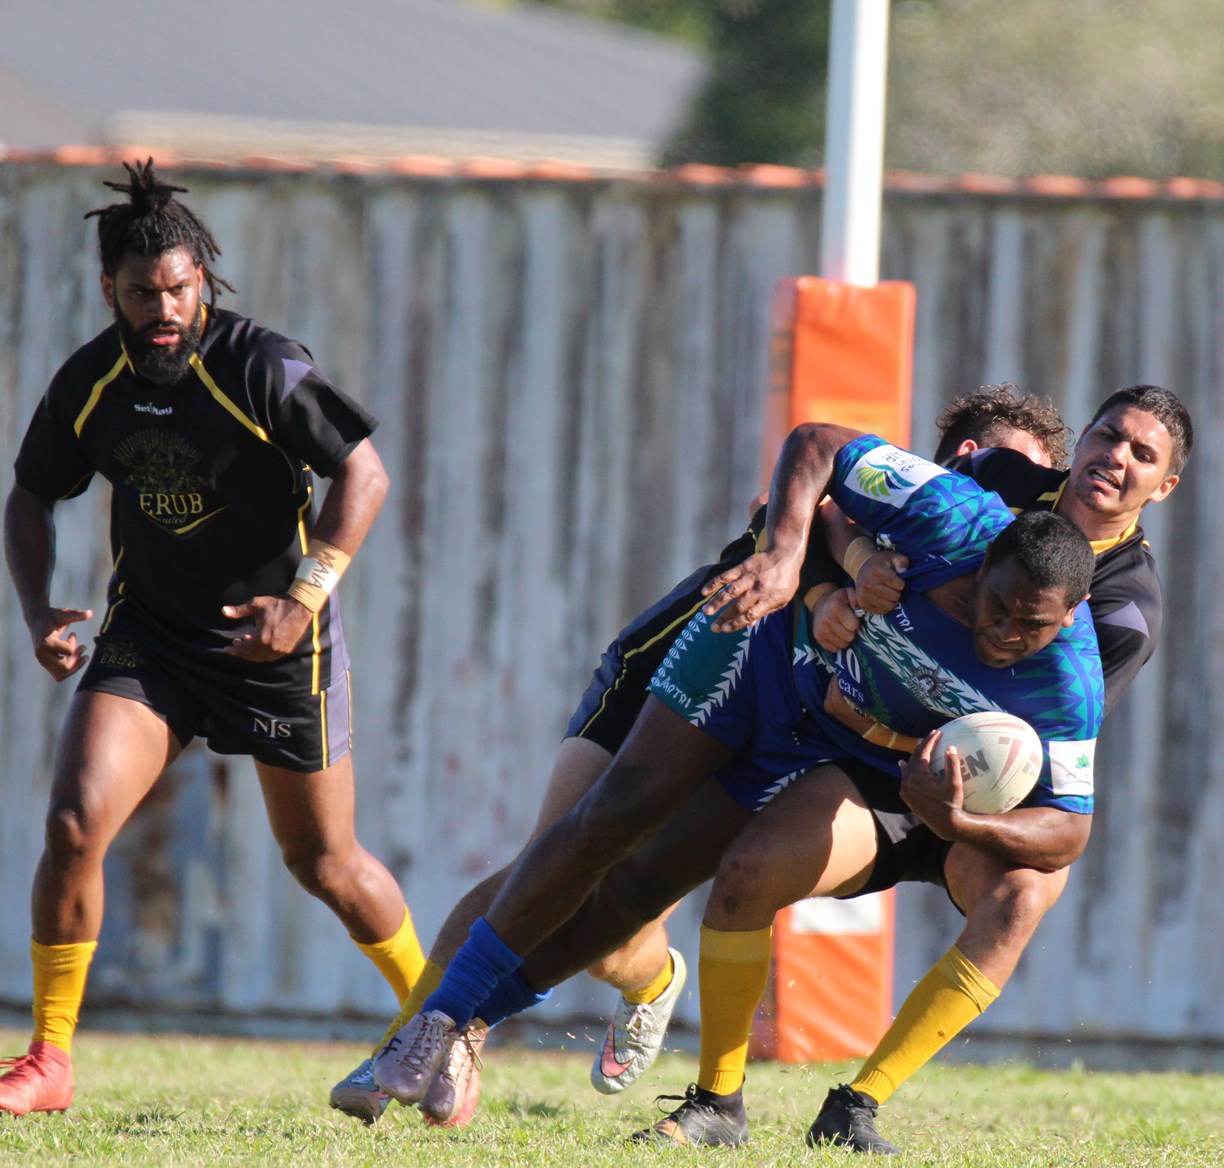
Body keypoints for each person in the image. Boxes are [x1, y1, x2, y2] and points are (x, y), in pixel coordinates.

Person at [328, 385, 1072, 1127]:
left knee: (633, 893)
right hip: (734, 656)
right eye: (1020, 476)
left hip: (824, 739)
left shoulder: (1070, 613)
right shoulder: (940, 505)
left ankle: (517, 1015)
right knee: (583, 835)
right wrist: (816, 576)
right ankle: (430, 1030)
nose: (1029, 500)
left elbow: (1058, 790)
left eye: (1042, 489)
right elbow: (801, 482)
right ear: (971, 460)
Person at [636, 384, 1190, 1152]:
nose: (1116, 458)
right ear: (1084, 436)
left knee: (1025, 893)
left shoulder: (1118, 622)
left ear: (1164, 487)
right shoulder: (991, 483)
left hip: (987, 797)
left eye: (1142, 454)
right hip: (877, 763)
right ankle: (716, 1103)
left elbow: (1064, 807)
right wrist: (834, 579)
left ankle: (857, 1105)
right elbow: (824, 489)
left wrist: (964, 816)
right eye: (1108, 435)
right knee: (740, 875)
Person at [0, 160, 426, 1117]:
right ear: (107, 287)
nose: (162, 310)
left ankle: (440, 1026)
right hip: (152, 638)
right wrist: (37, 609)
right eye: (143, 292)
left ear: (205, 285)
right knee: (73, 822)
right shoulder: (92, 381)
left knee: (326, 865)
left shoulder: (259, 366)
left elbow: (365, 475)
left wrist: (305, 598)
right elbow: (30, 493)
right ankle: (50, 1060)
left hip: (278, 644)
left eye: (179, 291)